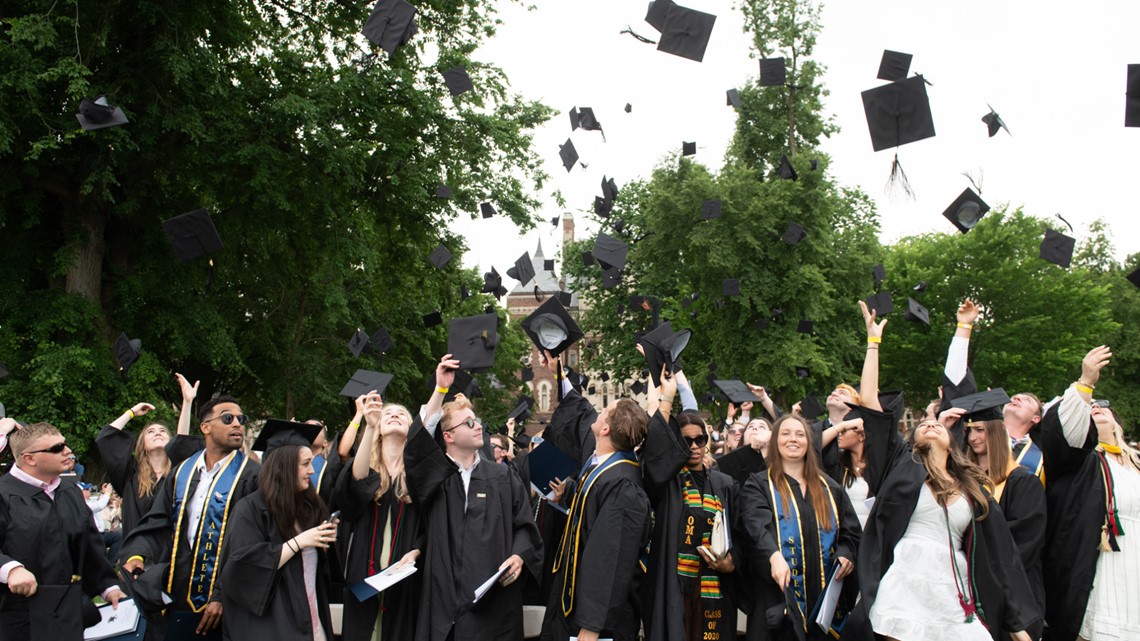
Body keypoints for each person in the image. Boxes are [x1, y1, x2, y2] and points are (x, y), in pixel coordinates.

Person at [845, 368, 1038, 641]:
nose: (930, 424)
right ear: (914, 442)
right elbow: (870, 405)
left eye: (937, 424)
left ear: (952, 442)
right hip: (905, 575)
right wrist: (872, 343)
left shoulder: (973, 489)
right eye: (923, 425)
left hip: (953, 583)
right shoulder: (901, 468)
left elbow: (998, 556)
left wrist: (1017, 627)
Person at [403, 354, 542, 641]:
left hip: (494, 611)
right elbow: (416, 449)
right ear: (449, 437)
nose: (478, 425)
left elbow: (525, 527)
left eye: (476, 420)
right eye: (468, 423)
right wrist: (440, 390)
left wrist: (518, 556)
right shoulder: (436, 479)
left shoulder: (502, 477)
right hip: (444, 612)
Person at [120, 394, 261, 640]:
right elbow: (158, 520)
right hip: (179, 590)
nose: (237, 423)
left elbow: (252, 544)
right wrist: (137, 554)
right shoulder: (182, 472)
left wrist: (222, 595)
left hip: (226, 598)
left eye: (242, 418)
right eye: (228, 418)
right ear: (205, 427)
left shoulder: (252, 475)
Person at [1030, 346, 1140, 641]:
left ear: (1118, 423)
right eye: (1090, 410)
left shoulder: (1136, 466)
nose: (1097, 410)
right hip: (1098, 570)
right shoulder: (1078, 462)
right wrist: (1086, 382)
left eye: (1103, 408)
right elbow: (1068, 432)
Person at [539, 349, 650, 641]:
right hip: (572, 608)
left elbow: (610, 561)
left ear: (605, 428)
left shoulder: (623, 486)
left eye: (604, 410)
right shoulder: (603, 464)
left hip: (595, 625)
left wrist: (590, 629)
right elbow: (580, 410)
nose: (597, 409)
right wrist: (558, 372)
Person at [641, 367, 743, 641]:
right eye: (686, 441)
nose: (695, 446)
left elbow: (742, 535)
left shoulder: (724, 484)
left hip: (715, 588)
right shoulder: (666, 481)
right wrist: (667, 396)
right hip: (672, 587)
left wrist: (732, 563)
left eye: (700, 439)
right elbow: (654, 452)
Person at [0, 422, 126, 641]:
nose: (68, 451)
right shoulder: (4, 494)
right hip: (17, 615)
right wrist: (9, 569)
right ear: (30, 458)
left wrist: (108, 586)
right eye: (57, 448)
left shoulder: (69, 492)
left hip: (67, 612)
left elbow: (90, 545)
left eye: (65, 444)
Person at [739, 414, 861, 641]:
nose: (792, 439)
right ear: (775, 441)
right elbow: (755, 526)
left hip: (823, 601)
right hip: (778, 598)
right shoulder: (759, 484)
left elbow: (851, 532)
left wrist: (846, 554)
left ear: (809, 442)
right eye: (785, 434)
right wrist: (773, 556)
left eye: (800, 434)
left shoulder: (830, 488)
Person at [220, 421, 337, 641]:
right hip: (271, 628)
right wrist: (299, 542)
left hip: (311, 621)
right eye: (305, 463)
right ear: (285, 466)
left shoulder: (310, 507)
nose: (311, 470)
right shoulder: (250, 509)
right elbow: (240, 568)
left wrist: (325, 537)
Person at [333, 393, 423, 641]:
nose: (394, 415)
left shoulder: (417, 476)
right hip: (365, 571)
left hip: (404, 573)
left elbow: (430, 525)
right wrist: (369, 425)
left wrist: (416, 551)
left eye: (402, 414)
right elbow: (355, 482)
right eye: (388, 414)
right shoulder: (368, 469)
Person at [962, 412, 1046, 635]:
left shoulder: (1022, 481)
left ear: (997, 433)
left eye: (980, 430)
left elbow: (1024, 540)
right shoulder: (962, 483)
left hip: (1014, 589)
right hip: (968, 586)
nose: (972, 437)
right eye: (969, 431)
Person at [95, 396, 173, 538]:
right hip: (136, 553)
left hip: (171, 554)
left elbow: (185, 442)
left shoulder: (179, 473)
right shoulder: (130, 473)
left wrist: (187, 402)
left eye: (162, 431)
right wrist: (131, 412)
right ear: (142, 444)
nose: (157, 433)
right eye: (150, 431)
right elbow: (106, 439)